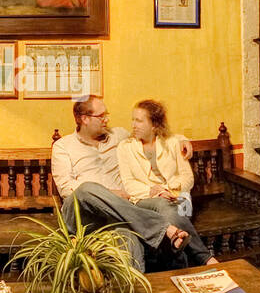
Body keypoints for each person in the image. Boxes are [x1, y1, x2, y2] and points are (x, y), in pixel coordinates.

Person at [51, 93, 182, 271]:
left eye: (107, 114)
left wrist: (182, 140)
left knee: (128, 236)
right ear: (84, 119)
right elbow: (66, 189)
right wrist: (111, 193)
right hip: (83, 216)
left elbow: (153, 137)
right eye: (101, 116)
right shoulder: (63, 146)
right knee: (86, 188)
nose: (106, 120)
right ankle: (160, 227)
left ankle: (137, 291)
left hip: (118, 215)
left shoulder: (119, 136)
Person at [118, 98, 209, 268]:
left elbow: (187, 178)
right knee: (163, 205)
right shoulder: (125, 147)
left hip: (180, 198)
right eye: (133, 119)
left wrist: (168, 189)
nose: (133, 125)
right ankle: (204, 258)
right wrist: (157, 192)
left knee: (171, 215)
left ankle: (177, 267)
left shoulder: (173, 143)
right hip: (144, 201)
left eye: (139, 120)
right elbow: (129, 184)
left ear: (154, 125)